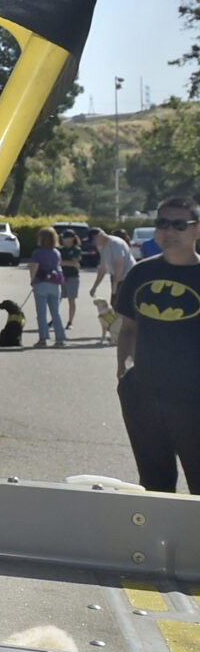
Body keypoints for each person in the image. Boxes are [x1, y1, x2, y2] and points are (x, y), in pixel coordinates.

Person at [113, 196, 200, 492]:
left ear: (197, 230)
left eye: (179, 224)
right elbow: (127, 329)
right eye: (162, 223)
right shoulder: (141, 273)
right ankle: (162, 540)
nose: (169, 231)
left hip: (194, 401)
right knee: (154, 485)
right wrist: (123, 369)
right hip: (144, 398)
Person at [27, 224, 67, 346]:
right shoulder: (56, 252)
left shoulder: (38, 252)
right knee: (56, 312)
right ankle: (60, 338)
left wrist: (32, 280)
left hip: (41, 283)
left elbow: (34, 268)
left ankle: (43, 339)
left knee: (41, 313)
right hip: (55, 283)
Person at [91, 225, 135, 303]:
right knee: (115, 303)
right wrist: (94, 287)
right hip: (117, 276)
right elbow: (103, 268)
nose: (94, 243)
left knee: (122, 304)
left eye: (94, 240)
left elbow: (120, 264)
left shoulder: (115, 243)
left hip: (128, 276)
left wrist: (116, 283)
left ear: (99, 236)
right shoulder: (101, 246)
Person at [57, 226, 84, 330]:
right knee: (57, 299)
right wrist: (66, 263)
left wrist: (63, 263)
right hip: (60, 276)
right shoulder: (60, 249)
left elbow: (75, 263)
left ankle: (70, 321)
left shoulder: (76, 250)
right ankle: (55, 319)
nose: (66, 240)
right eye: (64, 238)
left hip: (72, 277)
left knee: (71, 300)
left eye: (68, 238)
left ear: (73, 239)